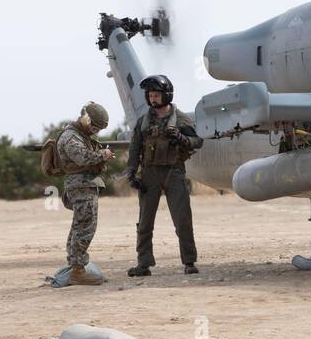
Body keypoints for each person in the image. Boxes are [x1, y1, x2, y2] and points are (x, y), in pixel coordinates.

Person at [126, 75, 203, 277]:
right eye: (150, 95)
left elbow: (198, 141)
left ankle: (189, 261)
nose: (153, 99)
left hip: (174, 172)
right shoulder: (143, 122)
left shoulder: (182, 119)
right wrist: (132, 173)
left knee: (182, 219)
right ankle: (143, 263)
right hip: (149, 173)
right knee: (144, 222)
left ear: (166, 95)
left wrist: (182, 138)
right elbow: (134, 149)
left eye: (156, 95)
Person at [57, 101, 115, 285]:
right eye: (94, 127)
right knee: (85, 227)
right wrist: (103, 155)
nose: (95, 131)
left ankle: (76, 264)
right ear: (86, 119)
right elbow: (82, 157)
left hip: (84, 185)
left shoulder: (79, 135)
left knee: (80, 226)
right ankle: (78, 271)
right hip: (80, 187)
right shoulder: (71, 136)